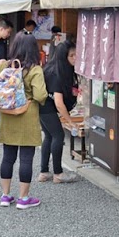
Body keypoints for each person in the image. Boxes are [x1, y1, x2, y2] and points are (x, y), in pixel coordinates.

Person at [0, 32, 47, 209]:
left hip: (7, 116)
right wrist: (32, 98)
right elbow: (41, 95)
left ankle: (5, 196)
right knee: (26, 159)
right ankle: (23, 199)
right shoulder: (35, 69)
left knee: (7, 158)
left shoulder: (5, 66)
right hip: (27, 117)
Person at [38, 37, 79, 183]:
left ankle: (44, 172)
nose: (75, 58)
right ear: (63, 57)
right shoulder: (56, 73)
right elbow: (59, 102)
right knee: (58, 136)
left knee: (49, 136)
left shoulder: (54, 67)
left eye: (76, 54)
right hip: (46, 107)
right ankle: (58, 174)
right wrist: (70, 121)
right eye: (71, 55)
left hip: (42, 106)